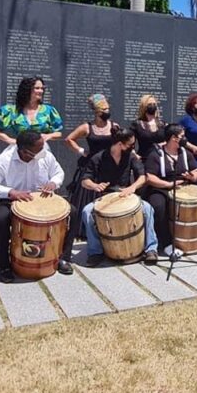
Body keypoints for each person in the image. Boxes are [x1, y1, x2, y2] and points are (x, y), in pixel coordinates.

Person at [0, 131, 72, 281]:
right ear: (24, 151)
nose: (43, 151)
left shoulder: (46, 156)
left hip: (42, 197)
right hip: (13, 199)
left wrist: (53, 182)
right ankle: (3, 265)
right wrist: (11, 192)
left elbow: (58, 172)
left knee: (72, 212)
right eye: (38, 149)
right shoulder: (3, 160)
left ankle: (63, 257)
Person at [80, 129, 159, 266]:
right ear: (119, 144)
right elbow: (84, 180)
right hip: (106, 196)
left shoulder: (130, 156)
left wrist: (132, 187)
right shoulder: (99, 157)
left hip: (126, 194)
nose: (133, 147)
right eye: (130, 145)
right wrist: (94, 185)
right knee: (87, 212)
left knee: (148, 209)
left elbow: (143, 176)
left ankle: (151, 249)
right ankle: (95, 252)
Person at [144, 123, 197, 256]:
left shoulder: (185, 153)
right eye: (182, 136)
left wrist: (192, 176)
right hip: (162, 187)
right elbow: (150, 177)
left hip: (185, 186)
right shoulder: (155, 154)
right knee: (158, 205)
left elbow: (196, 171)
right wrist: (168, 185)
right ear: (174, 138)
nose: (185, 139)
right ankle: (167, 243)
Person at [64, 94, 120, 237]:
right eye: (103, 109)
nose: (106, 111)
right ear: (96, 111)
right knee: (86, 196)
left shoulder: (114, 126)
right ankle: (84, 230)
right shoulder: (87, 127)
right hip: (91, 165)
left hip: (108, 166)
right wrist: (81, 151)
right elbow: (69, 139)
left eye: (107, 109)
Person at [0, 76, 63, 144]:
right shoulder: (12, 110)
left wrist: (48, 136)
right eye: (37, 88)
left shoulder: (48, 110)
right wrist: (8, 139)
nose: (41, 91)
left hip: (40, 149)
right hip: (18, 149)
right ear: (27, 89)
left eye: (42, 88)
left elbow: (58, 133)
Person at [130, 94, 166, 159]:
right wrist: (135, 155)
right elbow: (129, 142)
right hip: (143, 159)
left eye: (154, 104)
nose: (152, 106)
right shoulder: (137, 124)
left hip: (160, 159)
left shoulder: (162, 124)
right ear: (144, 106)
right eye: (149, 104)